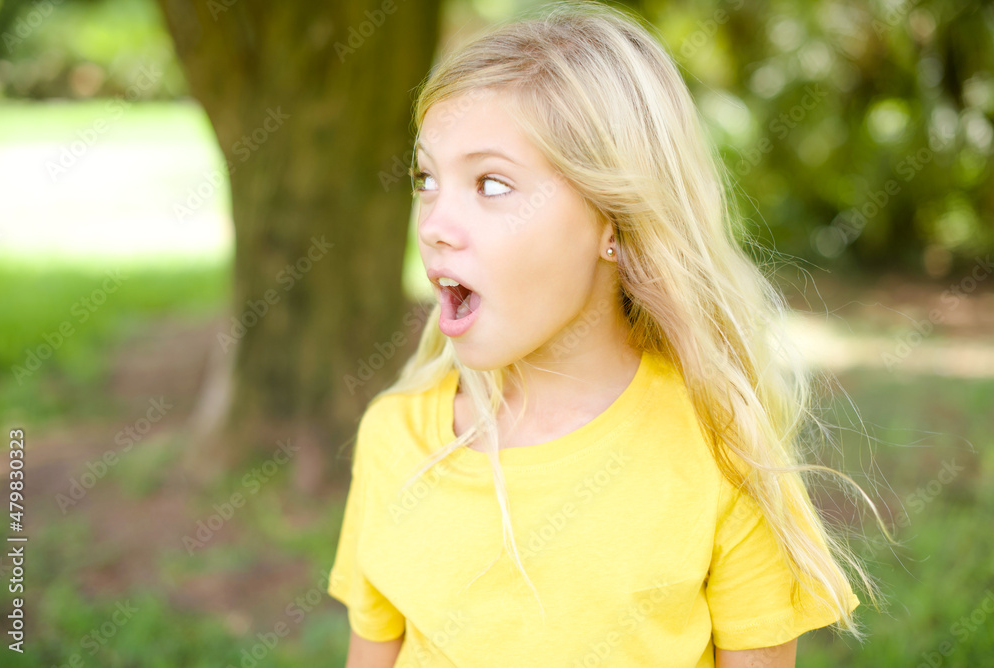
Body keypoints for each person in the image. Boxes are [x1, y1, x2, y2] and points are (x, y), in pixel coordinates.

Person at [328, 2, 886, 666]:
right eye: (427, 178)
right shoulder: (396, 438)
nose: (435, 223)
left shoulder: (721, 446)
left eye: (492, 183)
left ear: (613, 222)